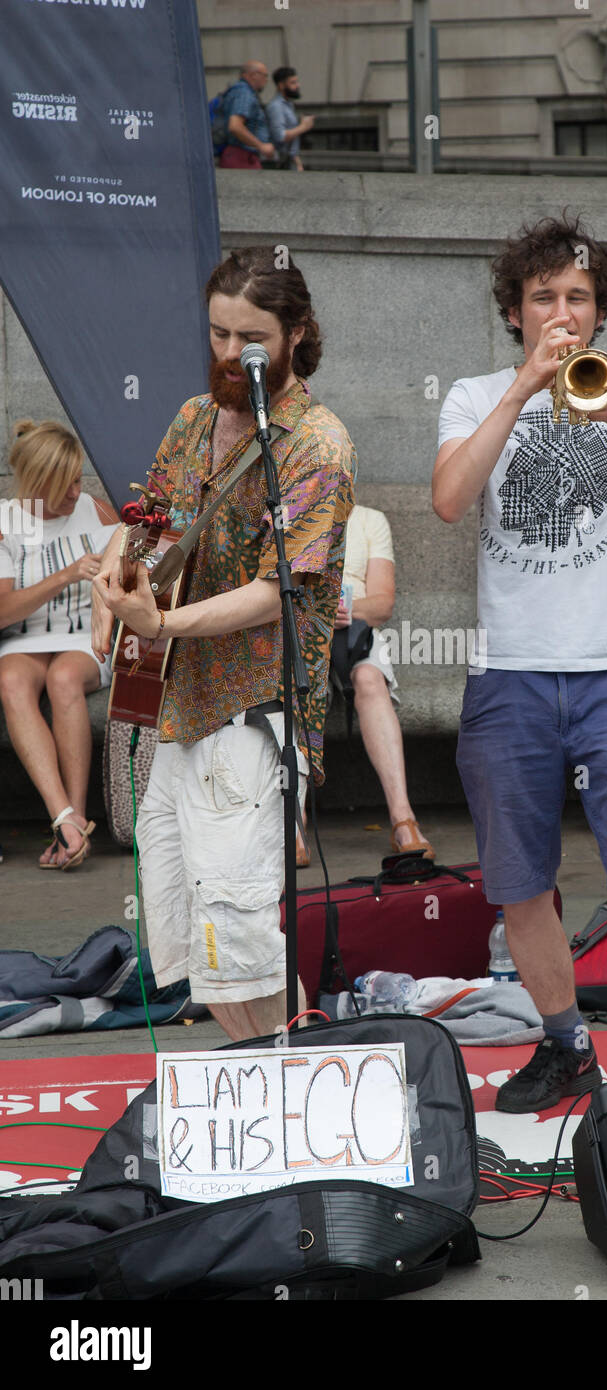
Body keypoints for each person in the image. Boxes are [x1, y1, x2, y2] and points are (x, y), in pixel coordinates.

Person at [433, 213, 607, 1113]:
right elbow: (445, 501)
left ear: (598, 312)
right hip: (509, 673)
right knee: (520, 886)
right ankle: (569, 1045)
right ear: (515, 312)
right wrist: (522, 392)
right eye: (542, 297)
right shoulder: (475, 396)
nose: (561, 313)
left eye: (576, 298)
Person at [91, 248, 356, 1043]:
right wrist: (117, 570)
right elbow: (152, 517)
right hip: (177, 706)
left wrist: (162, 625)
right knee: (202, 950)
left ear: (295, 336)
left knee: (242, 935)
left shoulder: (319, 444)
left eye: (250, 339)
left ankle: (301, 1088)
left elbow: (279, 593)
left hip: (254, 712)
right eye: (216, 334)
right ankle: (261, 1087)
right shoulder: (194, 418)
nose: (228, 355)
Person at [0, 420, 119, 868]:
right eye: (64, 483)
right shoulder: (7, 523)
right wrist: (66, 575)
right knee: (11, 679)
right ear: (36, 483)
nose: (76, 491)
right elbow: (3, 612)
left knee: (65, 677)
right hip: (24, 638)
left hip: (83, 636)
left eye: (77, 477)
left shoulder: (97, 511)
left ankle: (78, 820)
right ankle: (64, 819)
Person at [309, 503, 434, 866]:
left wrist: (347, 610)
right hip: (300, 628)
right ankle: (294, 824)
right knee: (296, 687)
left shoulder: (369, 519)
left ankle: (403, 820)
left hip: (356, 629)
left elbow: (383, 603)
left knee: (369, 678)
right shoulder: (290, 511)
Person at [218, 61, 276, 170]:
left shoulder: (239, 92)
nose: (267, 80)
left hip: (242, 156)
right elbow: (235, 126)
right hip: (241, 157)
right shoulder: (244, 94)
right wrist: (261, 146)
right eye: (265, 76)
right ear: (253, 75)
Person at [266, 67, 314, 172]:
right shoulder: (276, 106)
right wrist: (303, 127)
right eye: (293, 83)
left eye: (297, 82)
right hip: (281, 163)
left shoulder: (288, 105)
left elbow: (292, 143)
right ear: (281, 85)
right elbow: (280, 136)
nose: (297, 86)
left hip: (290, 161)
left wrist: (297, 162)